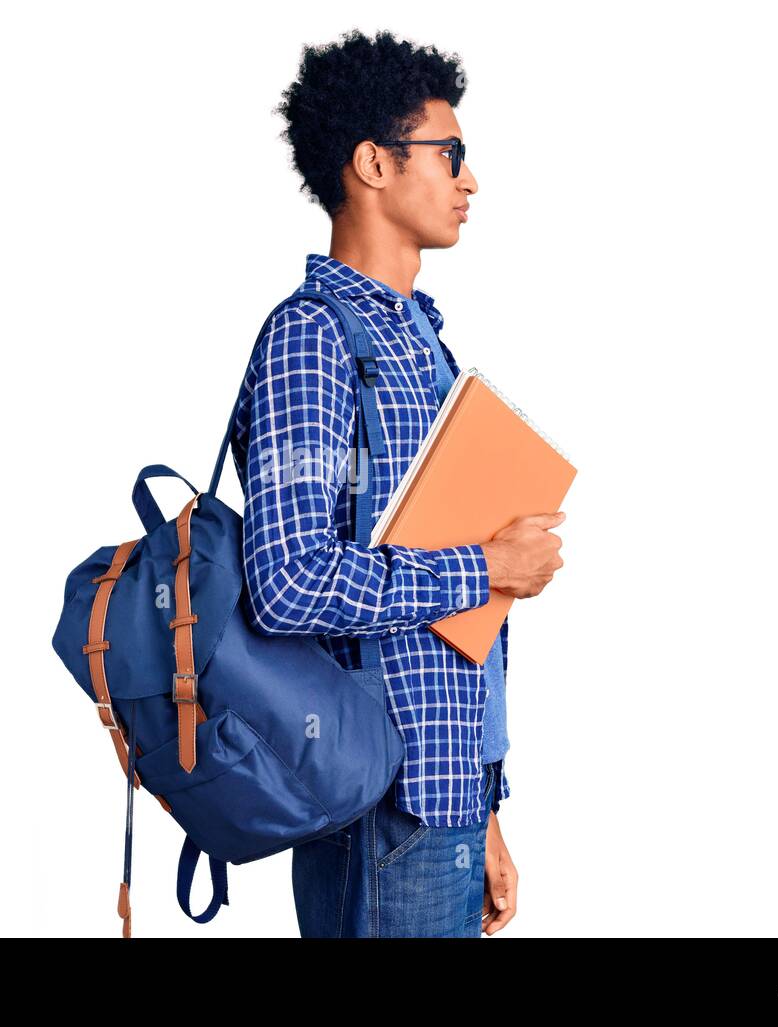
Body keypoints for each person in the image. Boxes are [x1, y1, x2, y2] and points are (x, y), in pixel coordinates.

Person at [224, 29, 566, 938]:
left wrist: (485, 805)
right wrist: (486, 565)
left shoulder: (425, 345)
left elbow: (458, 642)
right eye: (449, 153)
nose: (470, 178)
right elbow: (290, 580)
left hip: (444, 801)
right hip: (373, 802)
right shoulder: (314, 340)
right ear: (374, 163)